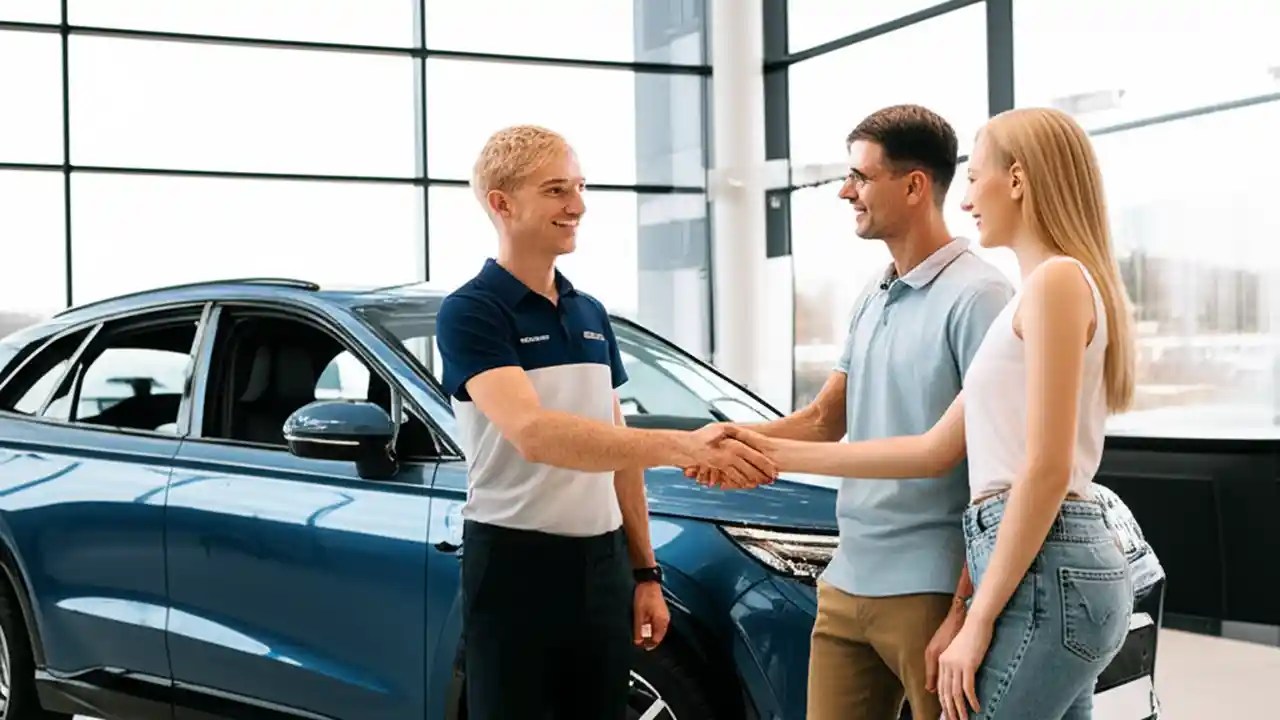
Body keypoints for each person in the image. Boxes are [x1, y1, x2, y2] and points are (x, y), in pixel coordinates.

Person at [717, 106, 1138, 720]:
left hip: (1041, 561)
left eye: (974, 177)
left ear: (1017, 180)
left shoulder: (1049, 285)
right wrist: (759, 449)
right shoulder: (1035, 293)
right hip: (1031, 558)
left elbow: (1044, 470)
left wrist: (972, 618)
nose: (966, 198)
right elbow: (931, 448)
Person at [434, 124, 777, 720]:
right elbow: (535, 434)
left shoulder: (590, 312)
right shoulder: (471, 312)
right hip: (516, 565)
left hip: (602, 565)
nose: (578, 206)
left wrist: (644, 571)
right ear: (502, 203)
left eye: (580, 187)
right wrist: (682, 444)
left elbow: (618, 450)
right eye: (557, 190)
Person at [693, 104, 1014, 720]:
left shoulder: (982, 296)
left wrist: (964, 610)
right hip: (846, 578)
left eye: (860, 177)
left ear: (914, 185)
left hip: (929, 584)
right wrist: (726, 438)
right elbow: (823, 419)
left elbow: (995, 470)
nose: (846, 191)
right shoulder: (876, 288)